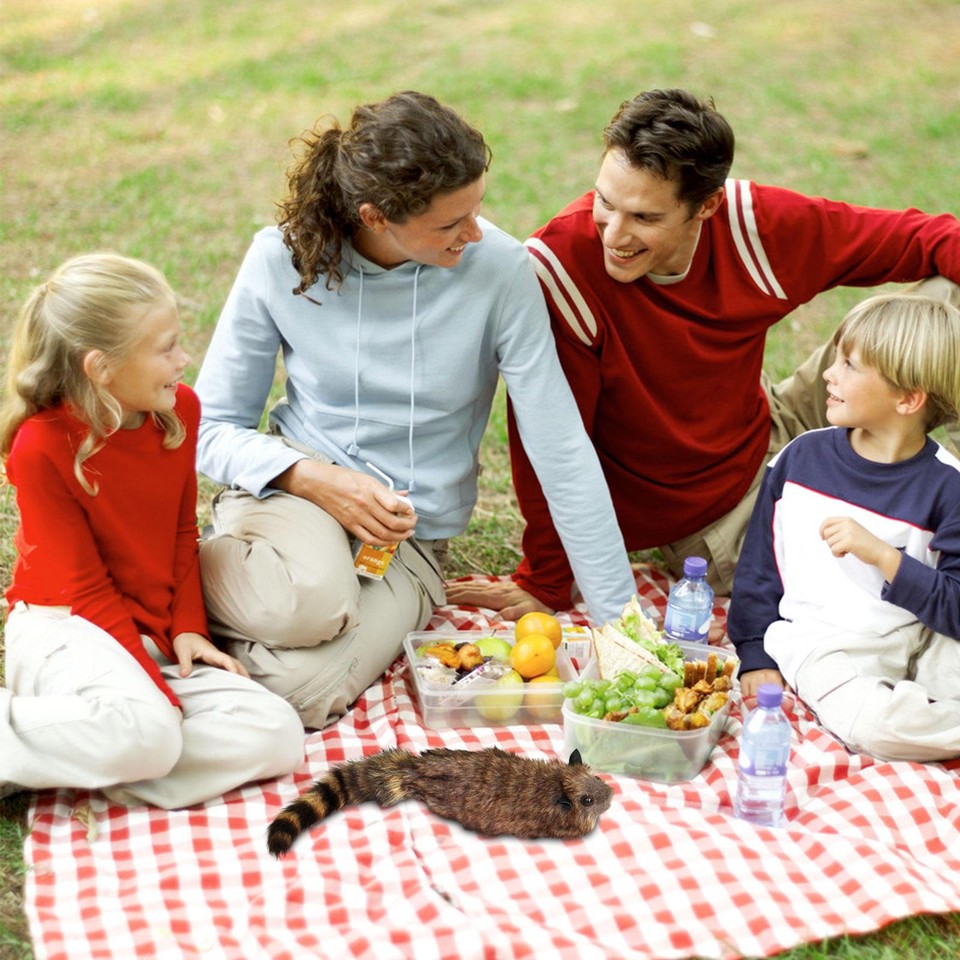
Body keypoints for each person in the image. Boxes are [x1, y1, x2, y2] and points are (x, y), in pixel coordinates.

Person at [194, 91, 636, 730]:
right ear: (375, 216)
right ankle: (173, 582)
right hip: (296, 494)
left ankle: (210, 633)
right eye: (451, 222)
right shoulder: (280, 258)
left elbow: (561, 447)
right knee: (310, 602)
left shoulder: (502, 272)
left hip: (407, 540)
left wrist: (621, 624)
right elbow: (209, 428)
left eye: (477, 208)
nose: (475, 232)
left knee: (303, 693)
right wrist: (310, 477)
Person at [446, 87, 960, 621]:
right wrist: (547, 580)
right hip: (711, 518)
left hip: (773, 423)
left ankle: (898, 476)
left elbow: (928, 237)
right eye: (604, 202)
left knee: (948, 298)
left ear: (706, 206)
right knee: (865, 581)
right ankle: (892, 488)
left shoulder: (755, 226)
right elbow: (549, 444)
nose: (613, 234)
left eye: (644, 217)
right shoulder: (563, 270)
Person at [0, 253, 304, 807]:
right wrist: (155, 691)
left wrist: (188, 628)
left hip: (149, 631)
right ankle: (56, 739)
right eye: (165, 348)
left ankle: (79, 753)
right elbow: (84, 588)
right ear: (101, 367)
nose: (184, 360)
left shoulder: (179, 411)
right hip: (67, 626)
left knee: (277, 732)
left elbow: (181, 535)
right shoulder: (43, 446)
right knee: (150, 728)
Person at [726, 293, 960, 762]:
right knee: (878, 729)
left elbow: (954, 608)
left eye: (850, 366)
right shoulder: (801, 459)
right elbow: (758, 570)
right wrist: (754, 651)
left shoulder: (948, 485)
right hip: (822, 647)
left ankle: (931, 708)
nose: (830, 374)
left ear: (908, 398)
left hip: (920, 636)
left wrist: (886, 557)